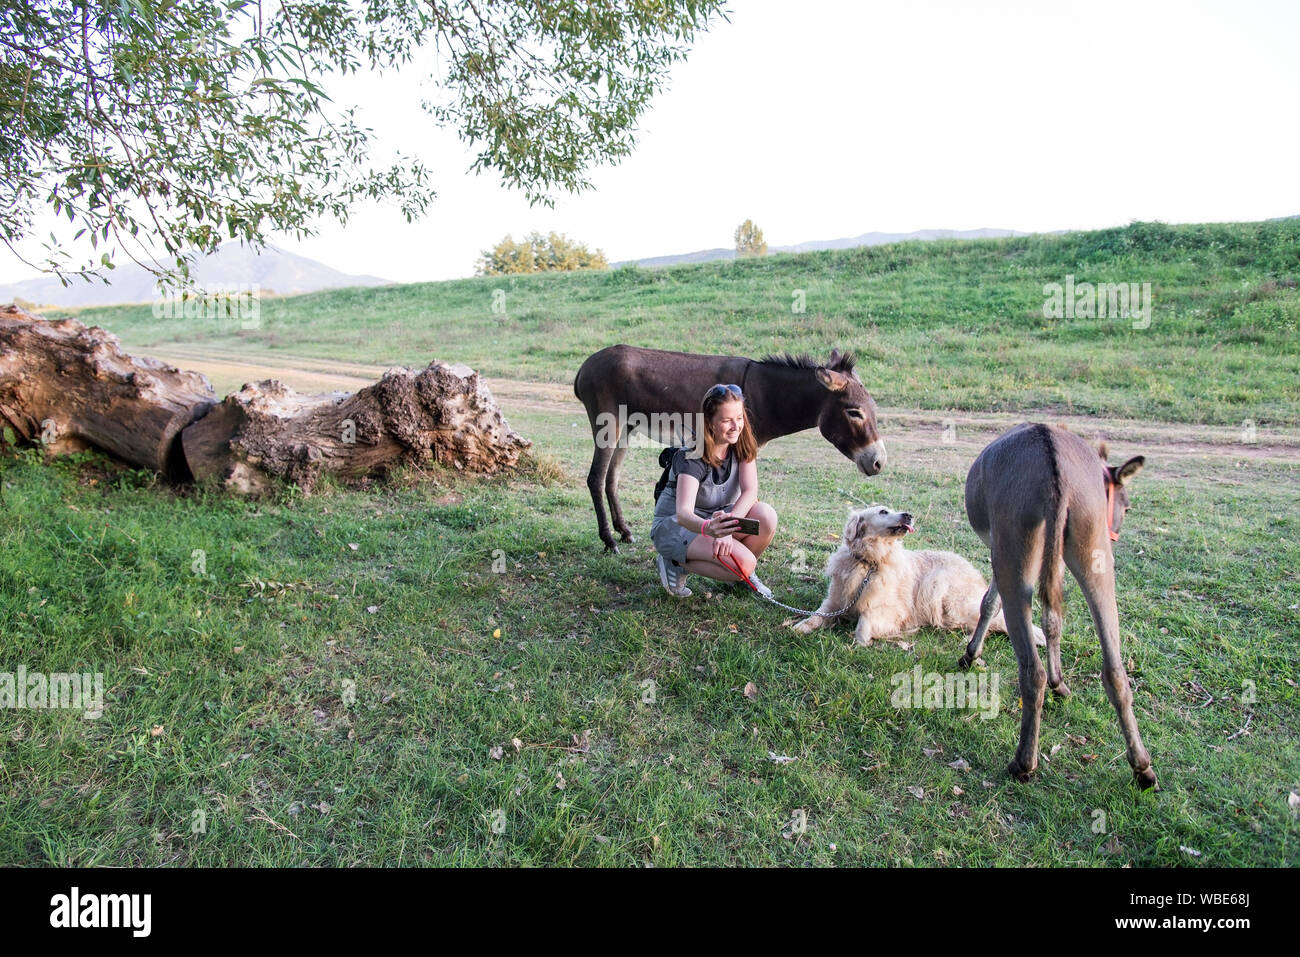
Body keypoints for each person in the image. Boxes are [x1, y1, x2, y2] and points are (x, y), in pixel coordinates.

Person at [650, 383, 779, 598]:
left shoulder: (741, 443)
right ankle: (675, 563)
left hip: (717, 518)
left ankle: (739, 575)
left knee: (766, 516)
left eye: (739, 418)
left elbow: (750, 491)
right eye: (726, 420)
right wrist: (712, 529)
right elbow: (683, 514)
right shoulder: (692, 457)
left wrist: (727, 527)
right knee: (745, 564)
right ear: (710, 423)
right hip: (677, 525)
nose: (735, 426)